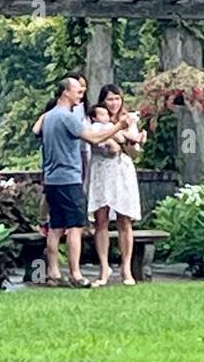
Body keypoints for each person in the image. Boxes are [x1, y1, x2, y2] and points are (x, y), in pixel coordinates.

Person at [37, 76, 125, 287]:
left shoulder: (48, 117)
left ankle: (53, 273)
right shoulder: (67, 117)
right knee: (75, 226)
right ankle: (75, 274)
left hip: (51, 180)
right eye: (77, 91)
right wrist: (118, 126)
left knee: (55, 227)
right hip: (69, 179)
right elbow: (94, 139)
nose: (81, 95)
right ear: (65, 92)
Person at [85, 85, 146, 285]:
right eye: (110, 99)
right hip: (101, 171)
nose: (114, 103)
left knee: (124, 219)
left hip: (122, 170)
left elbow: (135, 153)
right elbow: (93, 143)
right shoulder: (94, 121)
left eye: (117, 99)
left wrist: (128, 142)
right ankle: (104, 268)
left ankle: (126, 269)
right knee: (100, 219)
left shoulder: (129, 120)